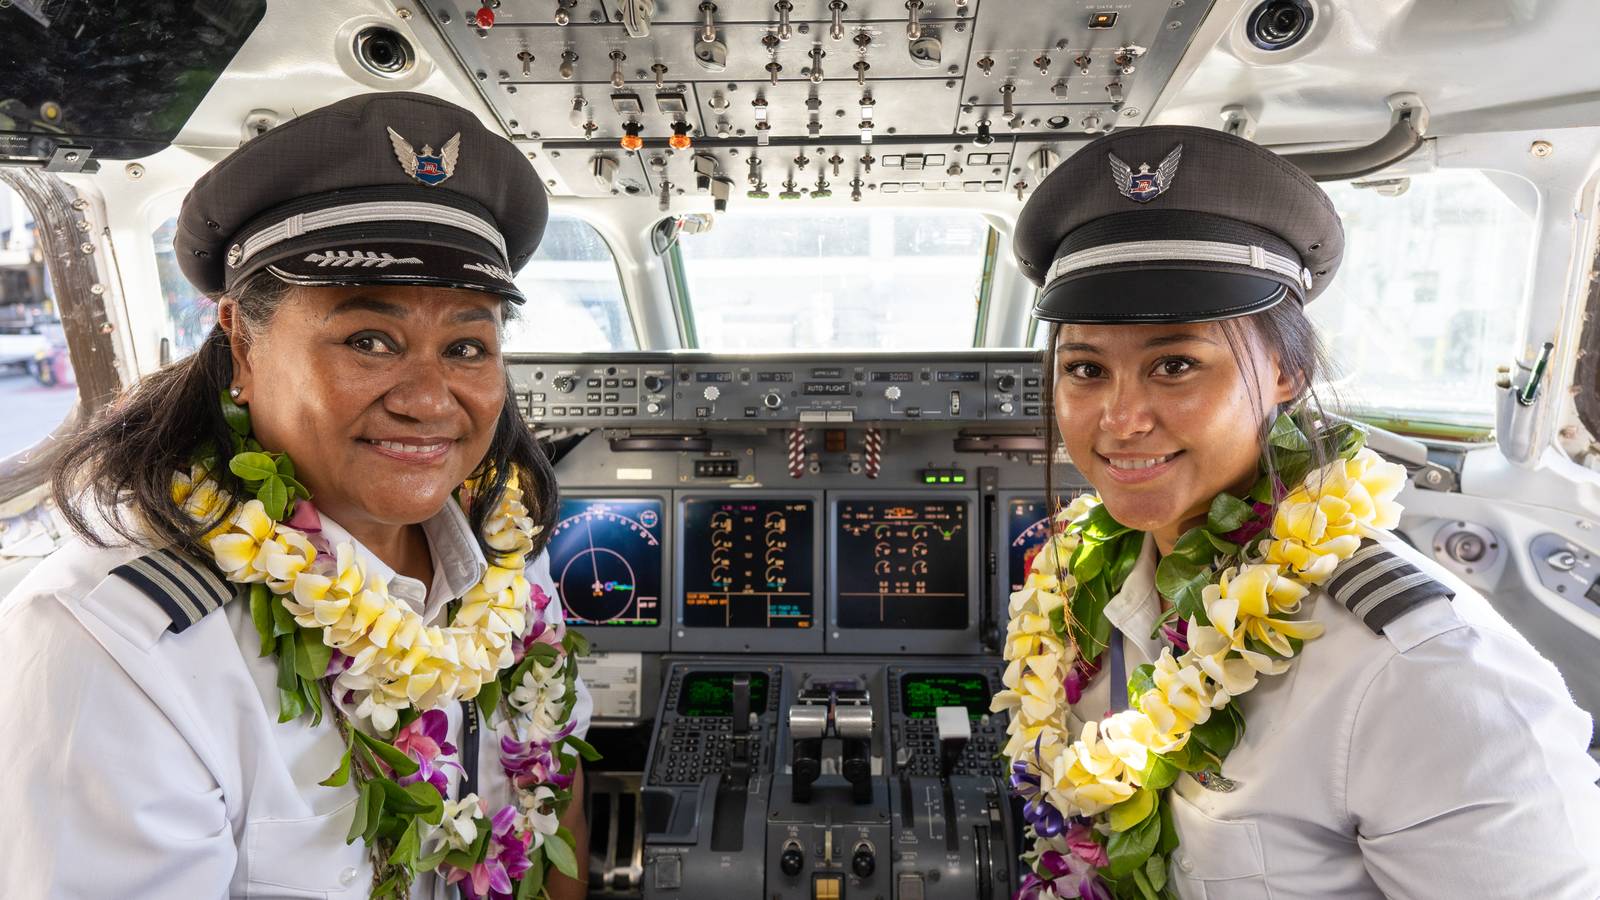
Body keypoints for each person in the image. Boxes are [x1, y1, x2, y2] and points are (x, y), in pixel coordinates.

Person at [0, 92, 592, 899]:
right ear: (242, 344)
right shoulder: (115, 647)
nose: (429, 399)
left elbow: (552, 796)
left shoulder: (510, 564)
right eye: (369, 341)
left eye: (465, 346)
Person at [997, 124, 1600, 899]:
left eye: (1174, 364)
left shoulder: (1425, 675)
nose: (1120, 419)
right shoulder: (1086, 582)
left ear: (1288, 371)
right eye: (1085, 369)